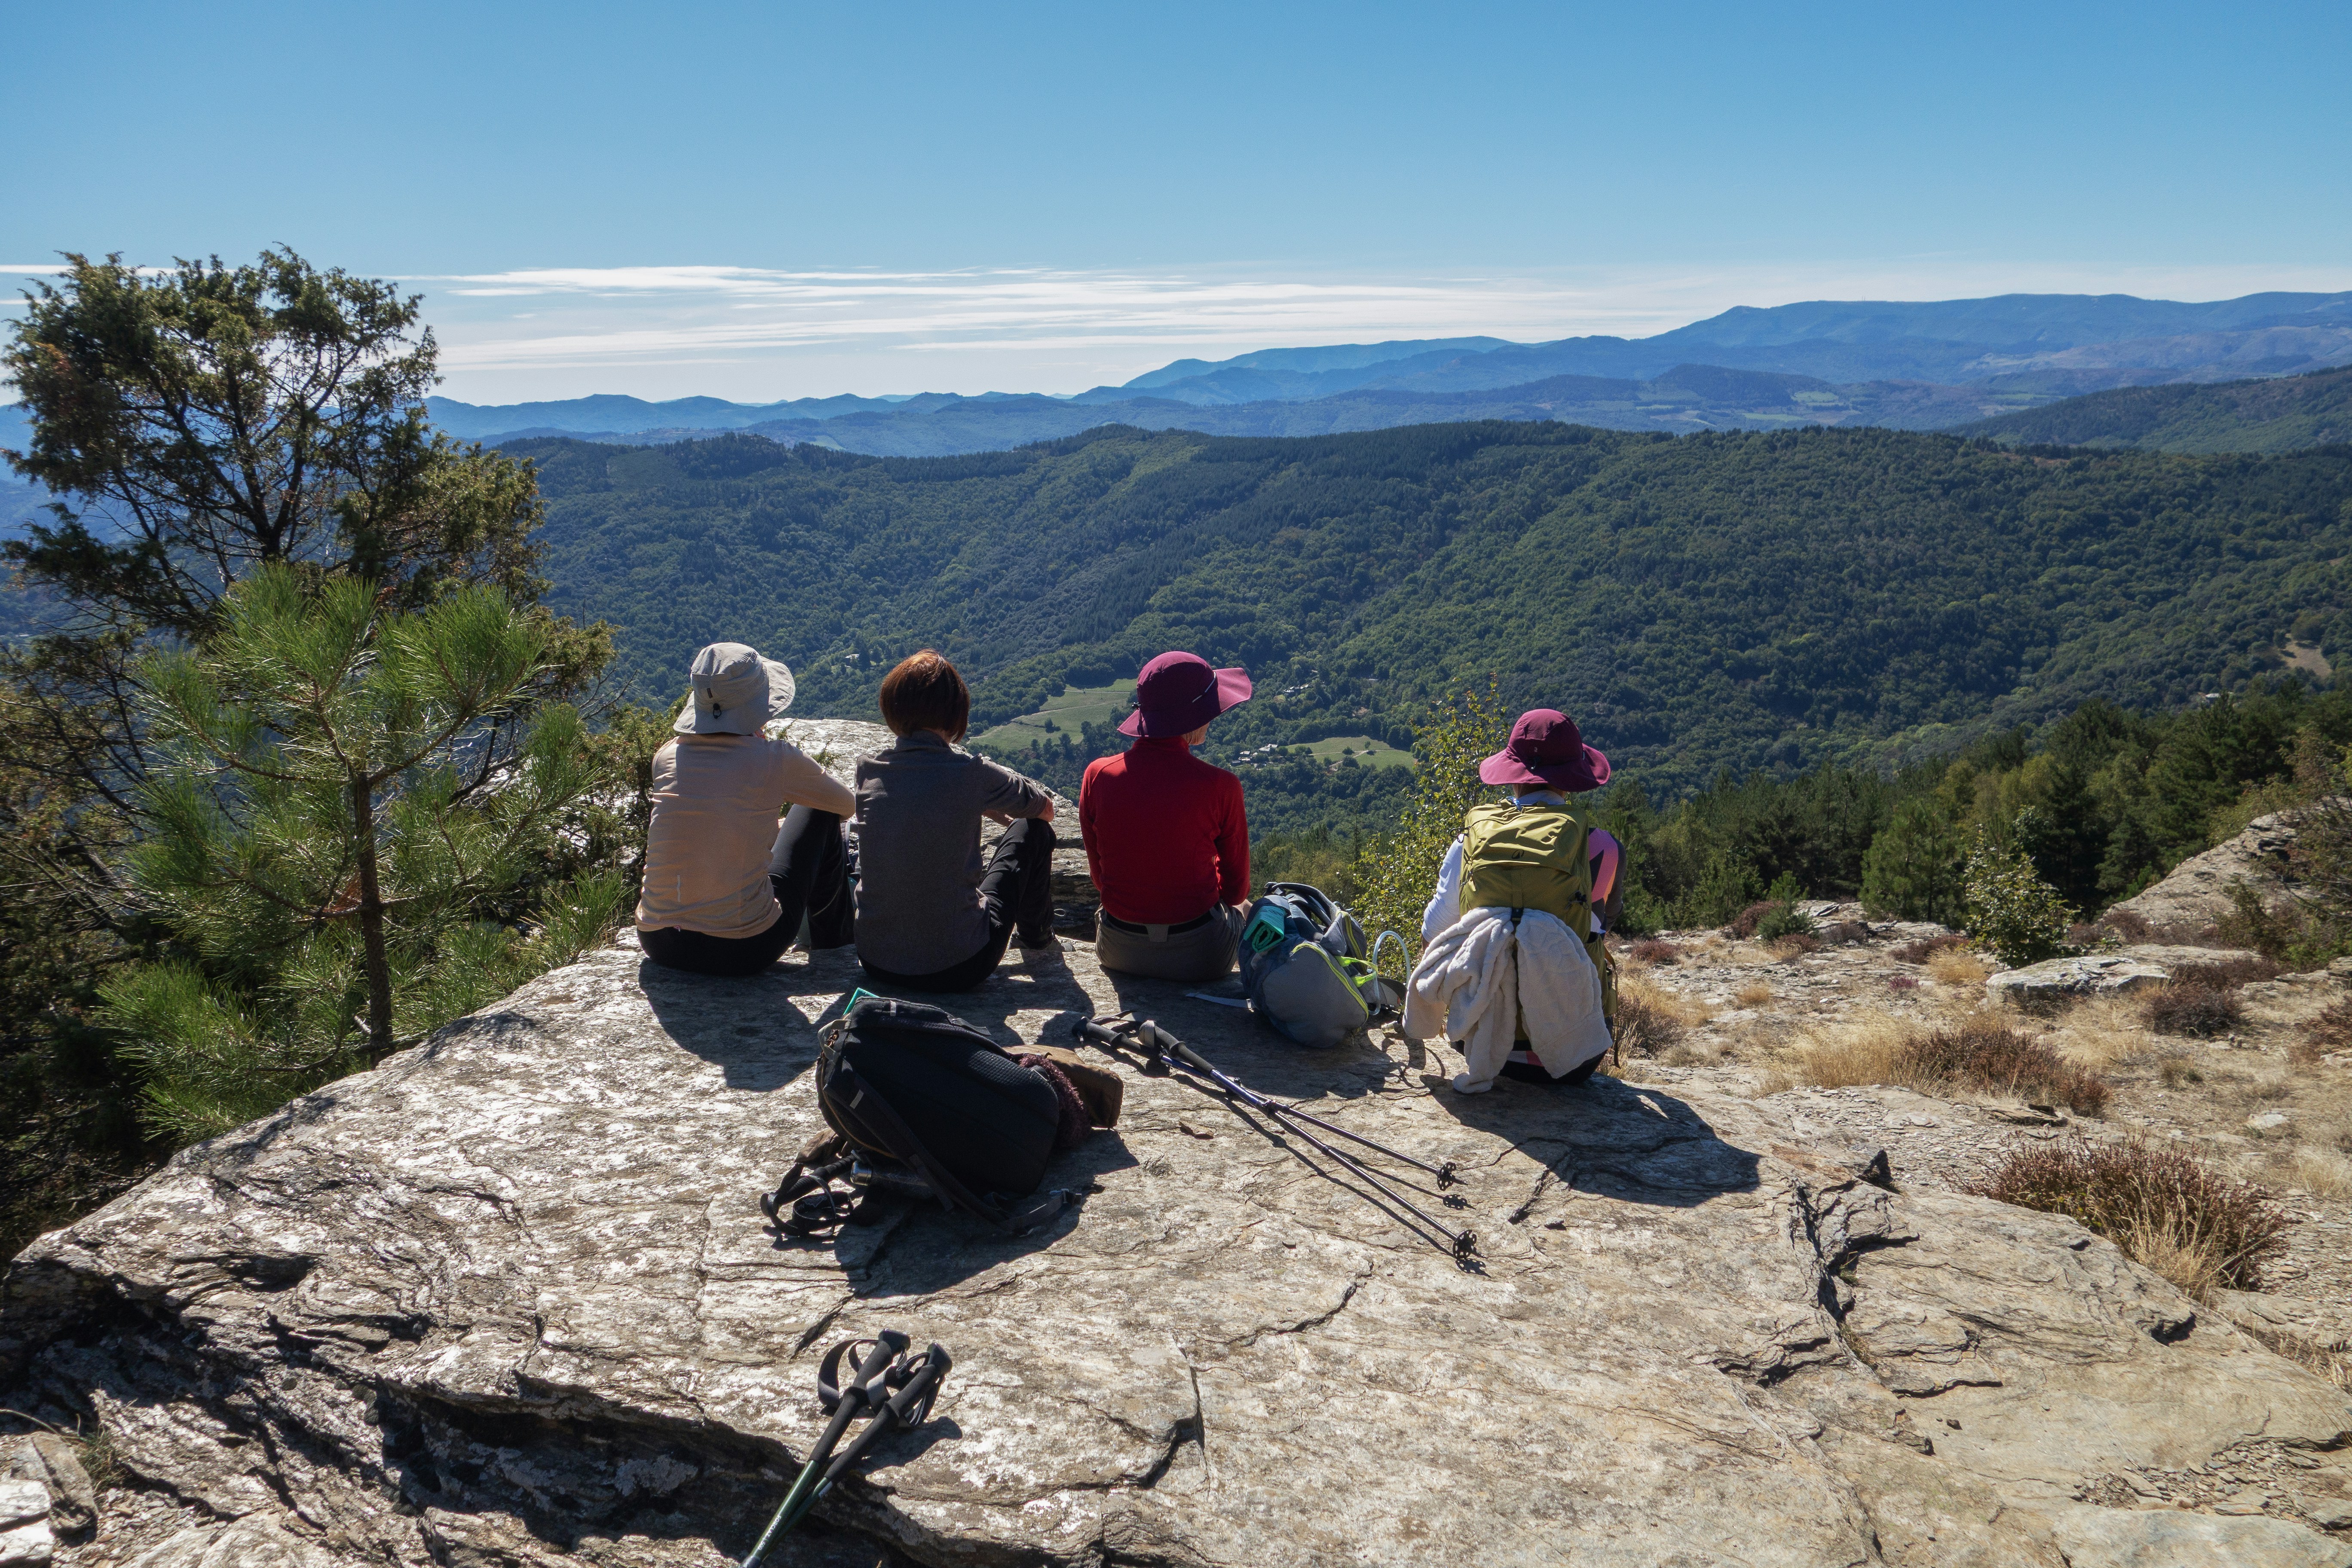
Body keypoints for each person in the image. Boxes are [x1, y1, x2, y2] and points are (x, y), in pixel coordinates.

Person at [1418, 708, 1623, 1085]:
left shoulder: (1468, 844)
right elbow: (1599, 929)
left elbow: (1434, 938)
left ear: (1513, 776)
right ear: (1573, 779)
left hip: (1479, 1046)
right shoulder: (1602, 848)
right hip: (1573, 1059)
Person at [636, 643, 857, 977]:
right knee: (817, 811)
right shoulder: (773, 758)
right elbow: (845, 805)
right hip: (742, 948)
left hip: (659, 942)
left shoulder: (667, 756)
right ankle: (836, 949)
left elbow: (707, 823)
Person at [854, 650, 1061, 992]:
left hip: (876, 961)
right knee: (1033, 830)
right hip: (959, 964)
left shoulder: (867, 771)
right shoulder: (972, 775)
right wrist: (984, 801)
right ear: (956, 717)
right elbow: (1045, 810)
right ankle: (1037, 938)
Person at [1079, 652, 1253, 981]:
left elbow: (1102, 881)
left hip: (1119, 950)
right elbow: (1235, 893)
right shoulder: (1221, 786)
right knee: (1251, 908)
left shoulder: (1098, 776)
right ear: (1194, 716)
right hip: (1202, 956)